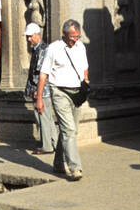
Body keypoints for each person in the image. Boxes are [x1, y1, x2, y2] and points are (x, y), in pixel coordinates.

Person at [35, 19, 90, 181]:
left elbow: (85, 67)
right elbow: (43, 74)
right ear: (64, 34)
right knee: (69, 130)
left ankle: (58, 162)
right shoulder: (53, 48)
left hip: (77, 92)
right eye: (72, 37)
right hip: (59, 91)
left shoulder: (81, 47)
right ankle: (75, 168)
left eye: (78, 36)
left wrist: (86, 80)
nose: (75, 40)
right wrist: (39, 99)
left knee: (70, 130)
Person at [24, 23, 56, 155]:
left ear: (37, 35)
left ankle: (47, 146)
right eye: (27, 36)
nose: (28, 39)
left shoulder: (42, 50)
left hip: (42, 90)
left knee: (42, 117)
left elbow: (40, 74)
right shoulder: (40, 49)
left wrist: (38, 92)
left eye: (30, 36)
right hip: (42, 90)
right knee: (46, 118)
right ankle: (53, 143)